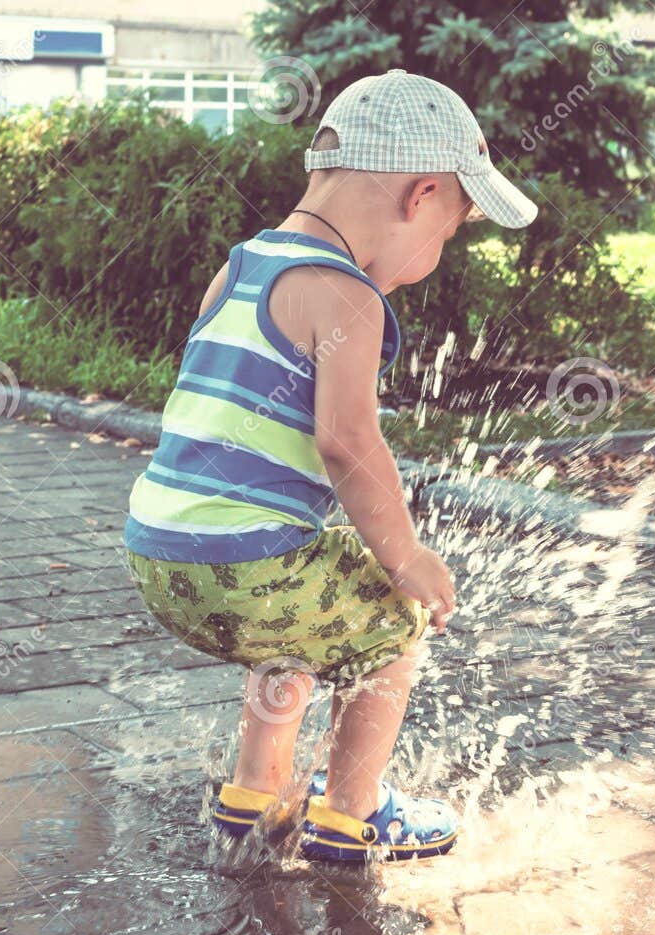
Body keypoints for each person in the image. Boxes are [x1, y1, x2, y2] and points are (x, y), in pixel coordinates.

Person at [124, 70, 537, 862]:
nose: (441, 252)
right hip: (247, 562)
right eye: (450, 231)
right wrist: (407, 556)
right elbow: (346, 442)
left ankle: (254, 794)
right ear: (419, 196)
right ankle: (353, 814)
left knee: (304, 612)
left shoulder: (242, 267)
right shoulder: (345, 296)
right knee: (393, 619)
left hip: (161, 557)